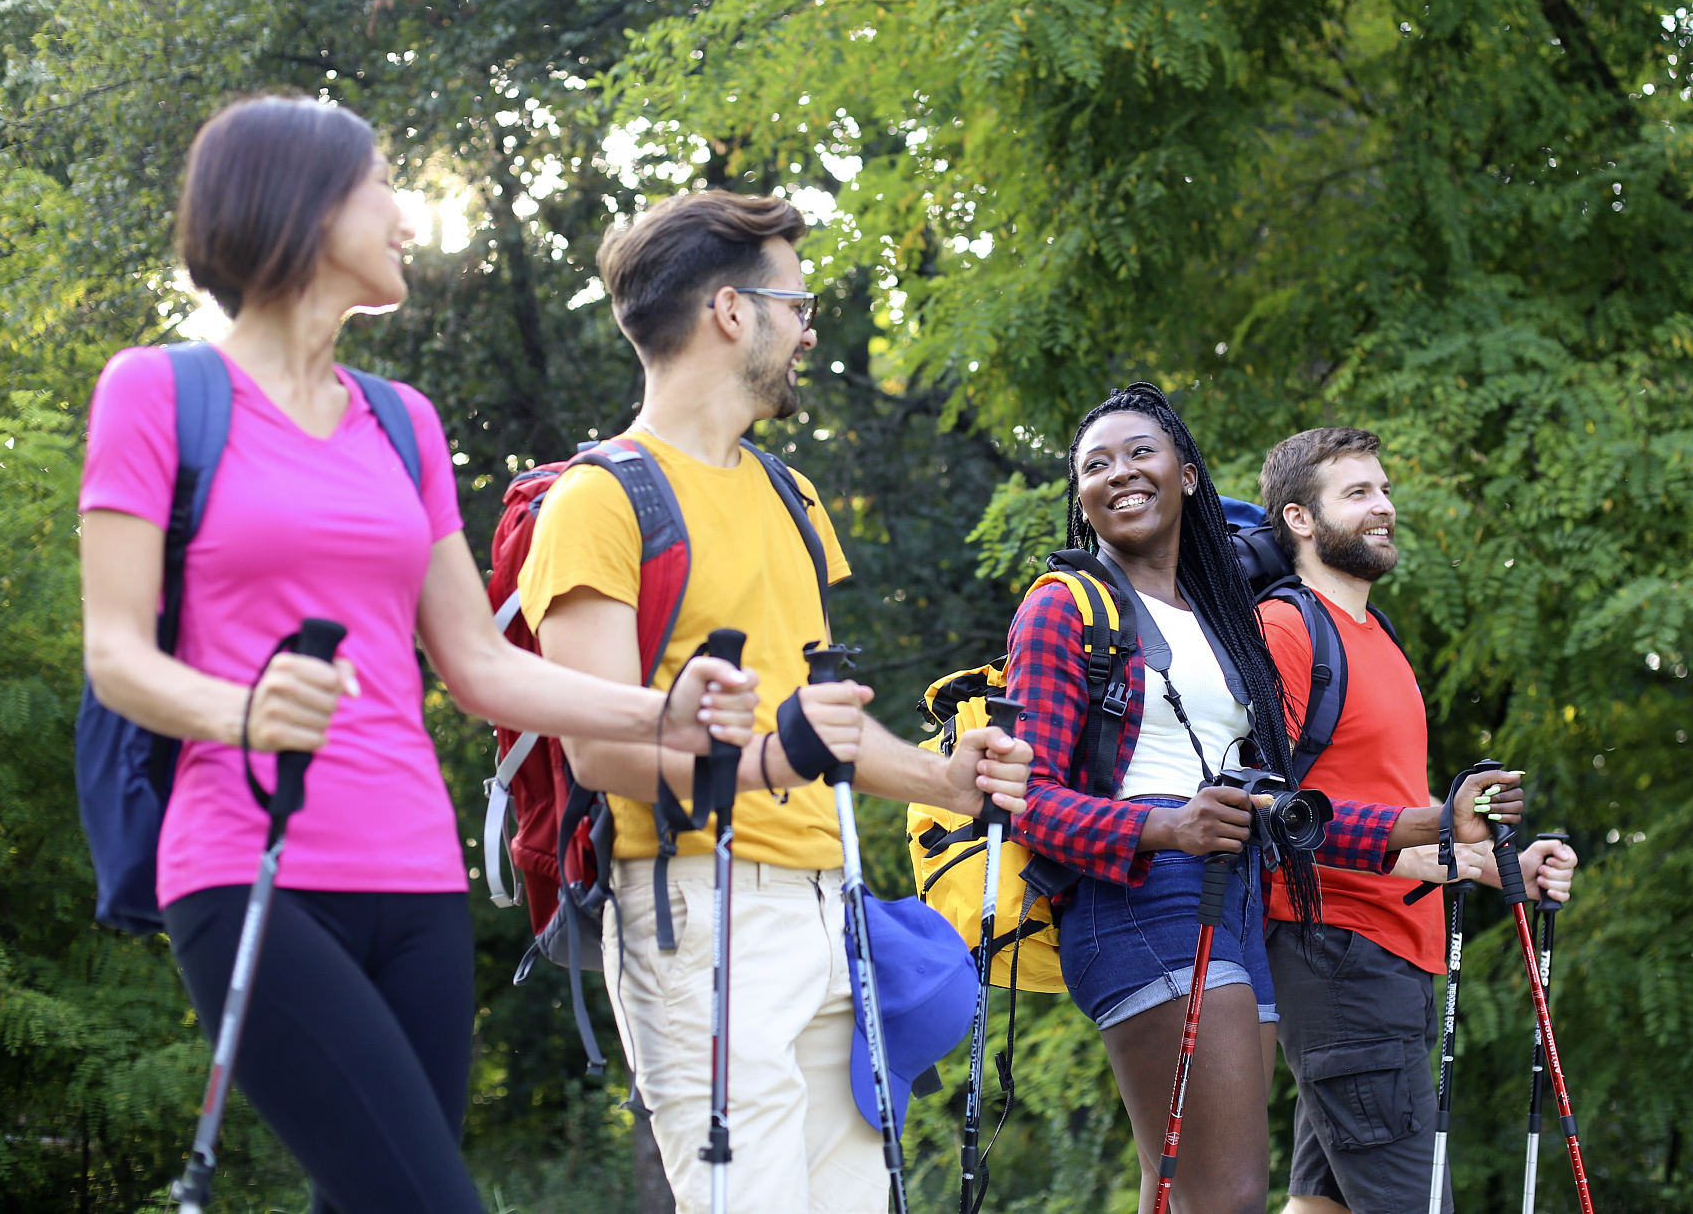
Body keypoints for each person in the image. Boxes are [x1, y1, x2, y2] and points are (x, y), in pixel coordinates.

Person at [76, 95, 839, 1214]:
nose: (402, 212)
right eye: (381, 183)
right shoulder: (158, 393)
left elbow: (479, 666)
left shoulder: (400, 422)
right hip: (251, 864)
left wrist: (661, 714)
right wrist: (243, 710)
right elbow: (113, 654)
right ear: (298, 205)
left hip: (416, 877)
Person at [517, 189, 1031, 1214]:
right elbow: (598, 752)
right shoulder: (598, 501)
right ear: (730, 311)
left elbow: (819, 723)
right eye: (795, 303)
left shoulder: (790, 498)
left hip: (823, 908)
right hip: (692, 911)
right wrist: (761, 765)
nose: (807, 327)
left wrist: (943, 777)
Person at [1006, 385, 1522, 1214]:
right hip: (1137, 901)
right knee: (1224, 1195)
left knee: (1187, 1191)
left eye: (1141, 451)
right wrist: (1165, 824)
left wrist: (1439, 822)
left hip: (1237, 898)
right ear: (1081, 497)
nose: (1120, 473)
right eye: (1094, 465)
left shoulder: (1220, 621)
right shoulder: (1062, 607)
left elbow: (1289, 813)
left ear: (1190, 475)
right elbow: (1025, 801)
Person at [1256, 426, 1579, 1214]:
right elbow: (1274, 817)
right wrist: (1443, 822)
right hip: (1340, 958)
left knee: (1319, 1207)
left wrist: (1504, 865)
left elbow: (1399, 832)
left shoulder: (1379, 640)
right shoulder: (1287, 630)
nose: (1384, 506)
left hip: (1387, 959)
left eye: (1386, 488)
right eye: (1358, 492)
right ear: (1300, 519)